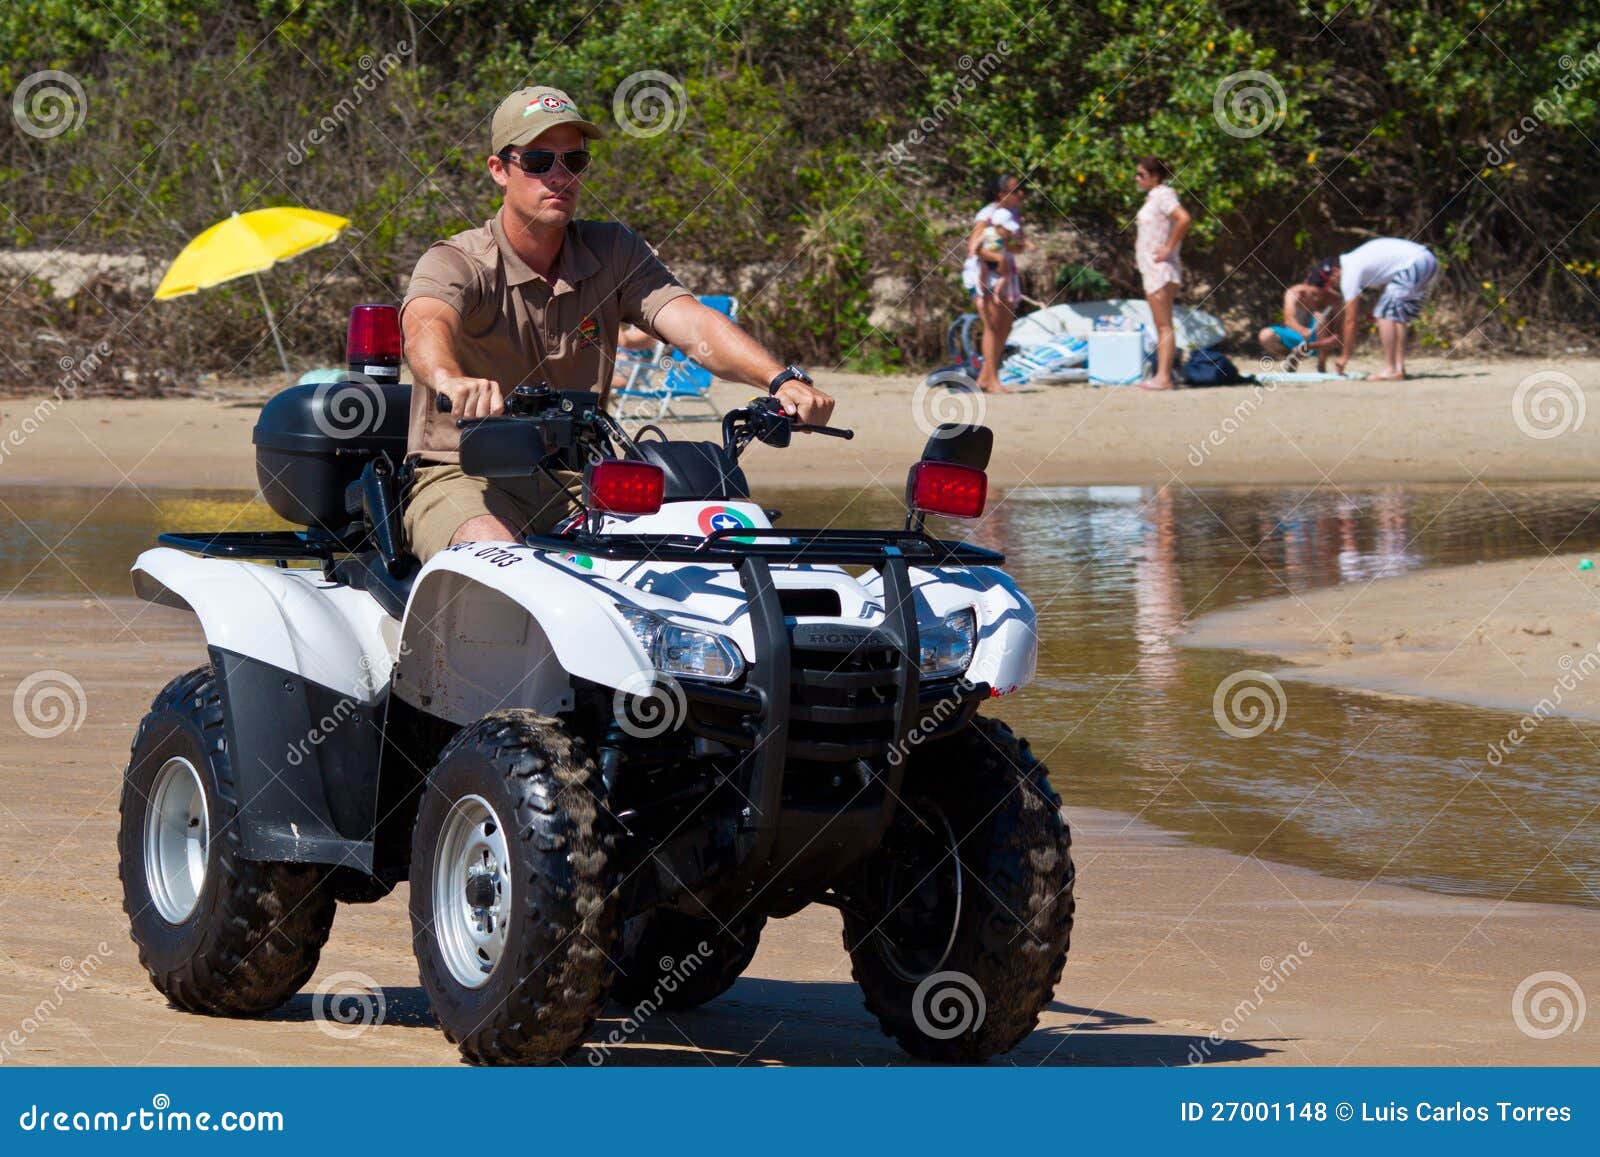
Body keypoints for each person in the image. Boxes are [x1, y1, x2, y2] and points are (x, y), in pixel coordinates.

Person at [399, 86, 834, 561]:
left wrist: (781, 380)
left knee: (711, 548)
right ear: (499, 170)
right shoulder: (459, 260)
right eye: (540, 162)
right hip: (462, 476)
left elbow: (691, 323)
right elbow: (425, 325)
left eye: (575, 161)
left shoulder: (613, 251)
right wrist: (450, 379)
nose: (560, 177)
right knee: (499, 561)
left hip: (582, 477)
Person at [1324, 237, 1439, 380]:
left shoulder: (1349, 269)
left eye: (1330, 281)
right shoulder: (1357, 258)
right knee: (1396, 316)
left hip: (1416, 264)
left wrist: (1344, 356)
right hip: (1429, 262)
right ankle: (1398, 368)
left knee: (1384, 314)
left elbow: (1350, 320)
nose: (1333, 285)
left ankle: (1389, 369)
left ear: (1335, 270)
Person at [962, 173, 1026, 394]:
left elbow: (1016, 247)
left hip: (1005, 273)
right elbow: (973, 248)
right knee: (993, 326)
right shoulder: (988, 215)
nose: (1021, 194)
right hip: (986, 274)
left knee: (1004, 326)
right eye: (1015, 190)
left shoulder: (1013, 215)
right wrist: (998, 258)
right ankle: (992, 379)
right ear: (1002, 195)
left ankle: (985, 377)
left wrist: (1016, 244)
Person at [1133, 156, 1191, 391]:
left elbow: (1184, 218)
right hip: (1152, 269)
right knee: (1161, 324)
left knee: (1163, 325)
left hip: (1160, 269)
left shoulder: (1164, 194)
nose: (1137, 179)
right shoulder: (1154, 197)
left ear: (1155, 177)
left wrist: (1168, 247)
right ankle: (1163, 374)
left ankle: (1163, 377)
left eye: (1141, 175)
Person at [1258, 261, 1347, 371]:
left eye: (1321, 294)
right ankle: (1291, 357)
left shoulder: (1334, 300)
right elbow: (1288, 320)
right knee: (1265, 335)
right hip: (1298, 337)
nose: (1317, 299)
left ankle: (1321, 365)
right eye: (1313, 294)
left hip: (1318, 343)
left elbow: (1339, 338)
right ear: (1306, 287)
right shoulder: (1295, 293)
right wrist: (1302, 330)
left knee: (1320, 317)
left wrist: (1311, 346)